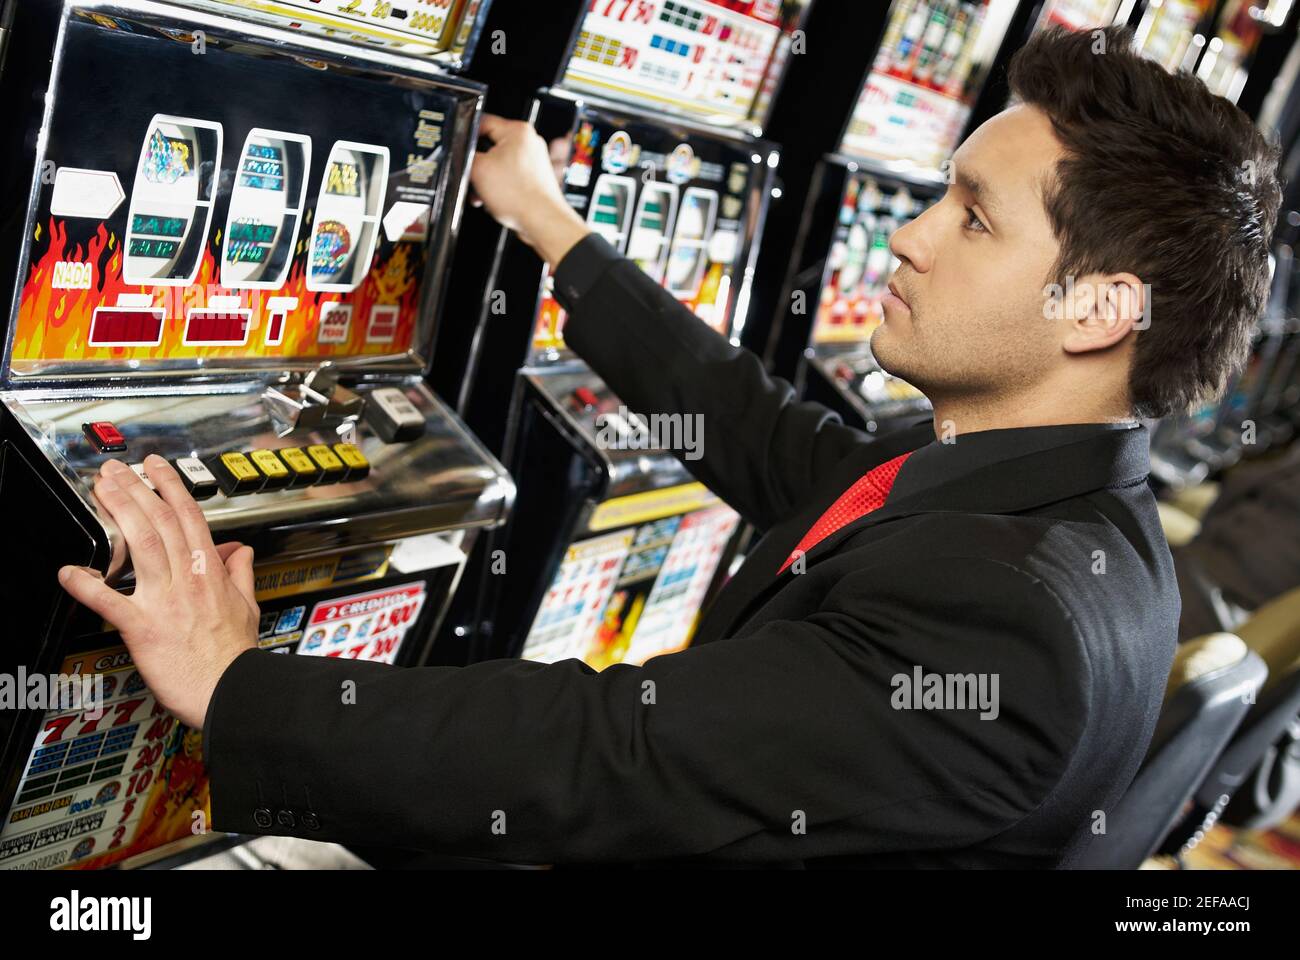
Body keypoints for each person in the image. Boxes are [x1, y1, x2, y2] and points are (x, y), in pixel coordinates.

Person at [58, 27, 1281, 867]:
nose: (908, 239)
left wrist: (240, 690)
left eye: (971, 217)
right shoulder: (1037, 501)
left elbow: (610, 751)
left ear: (1100, 309)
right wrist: (557, 235)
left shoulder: (1011, 627)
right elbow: (767, 436)